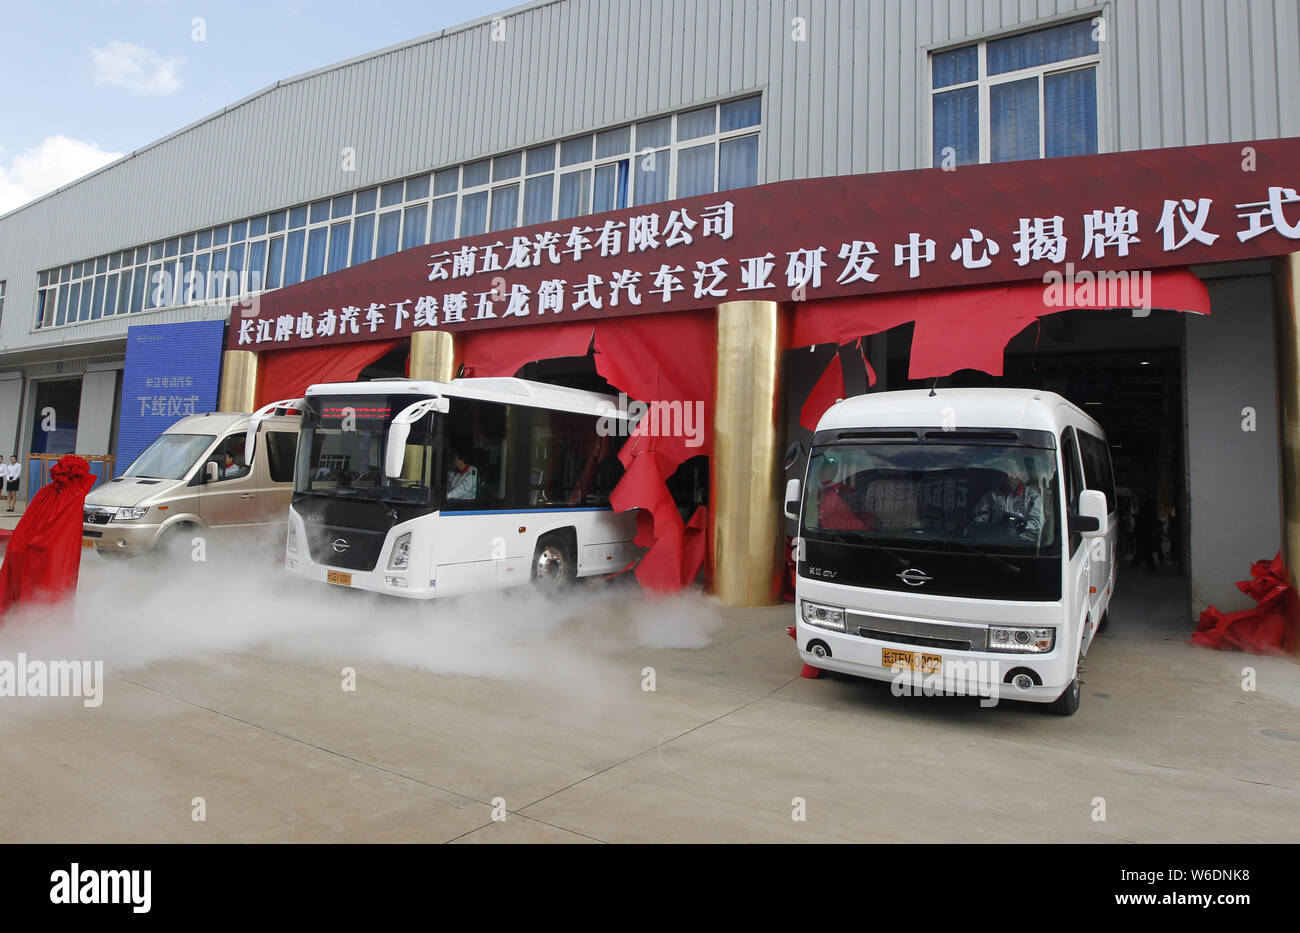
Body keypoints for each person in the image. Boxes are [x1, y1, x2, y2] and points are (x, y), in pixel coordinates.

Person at [970, 457, 1043, 540]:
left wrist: (1017, 527)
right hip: (993, 540)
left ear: (1020, 474)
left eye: (1012, 473)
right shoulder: (991, 496)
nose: (1009, 476)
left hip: (1023, 542)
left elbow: (1038, 523)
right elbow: (979, 518)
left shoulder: (1032, 496)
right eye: (1005, 473)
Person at [814, 458, 872, 531]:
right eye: (826, 470)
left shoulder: (846, 490)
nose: (828, 473)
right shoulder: (812, 493)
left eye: (832, 470)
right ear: (820, 472)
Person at [1131, 497, 1161, 571]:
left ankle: (1136, 564)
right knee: (1145, 552)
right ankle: (1150, 566)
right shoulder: (1147, 515)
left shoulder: (1146, 514)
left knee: (1143, 552)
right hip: (1145, 536)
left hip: (1145, 536)